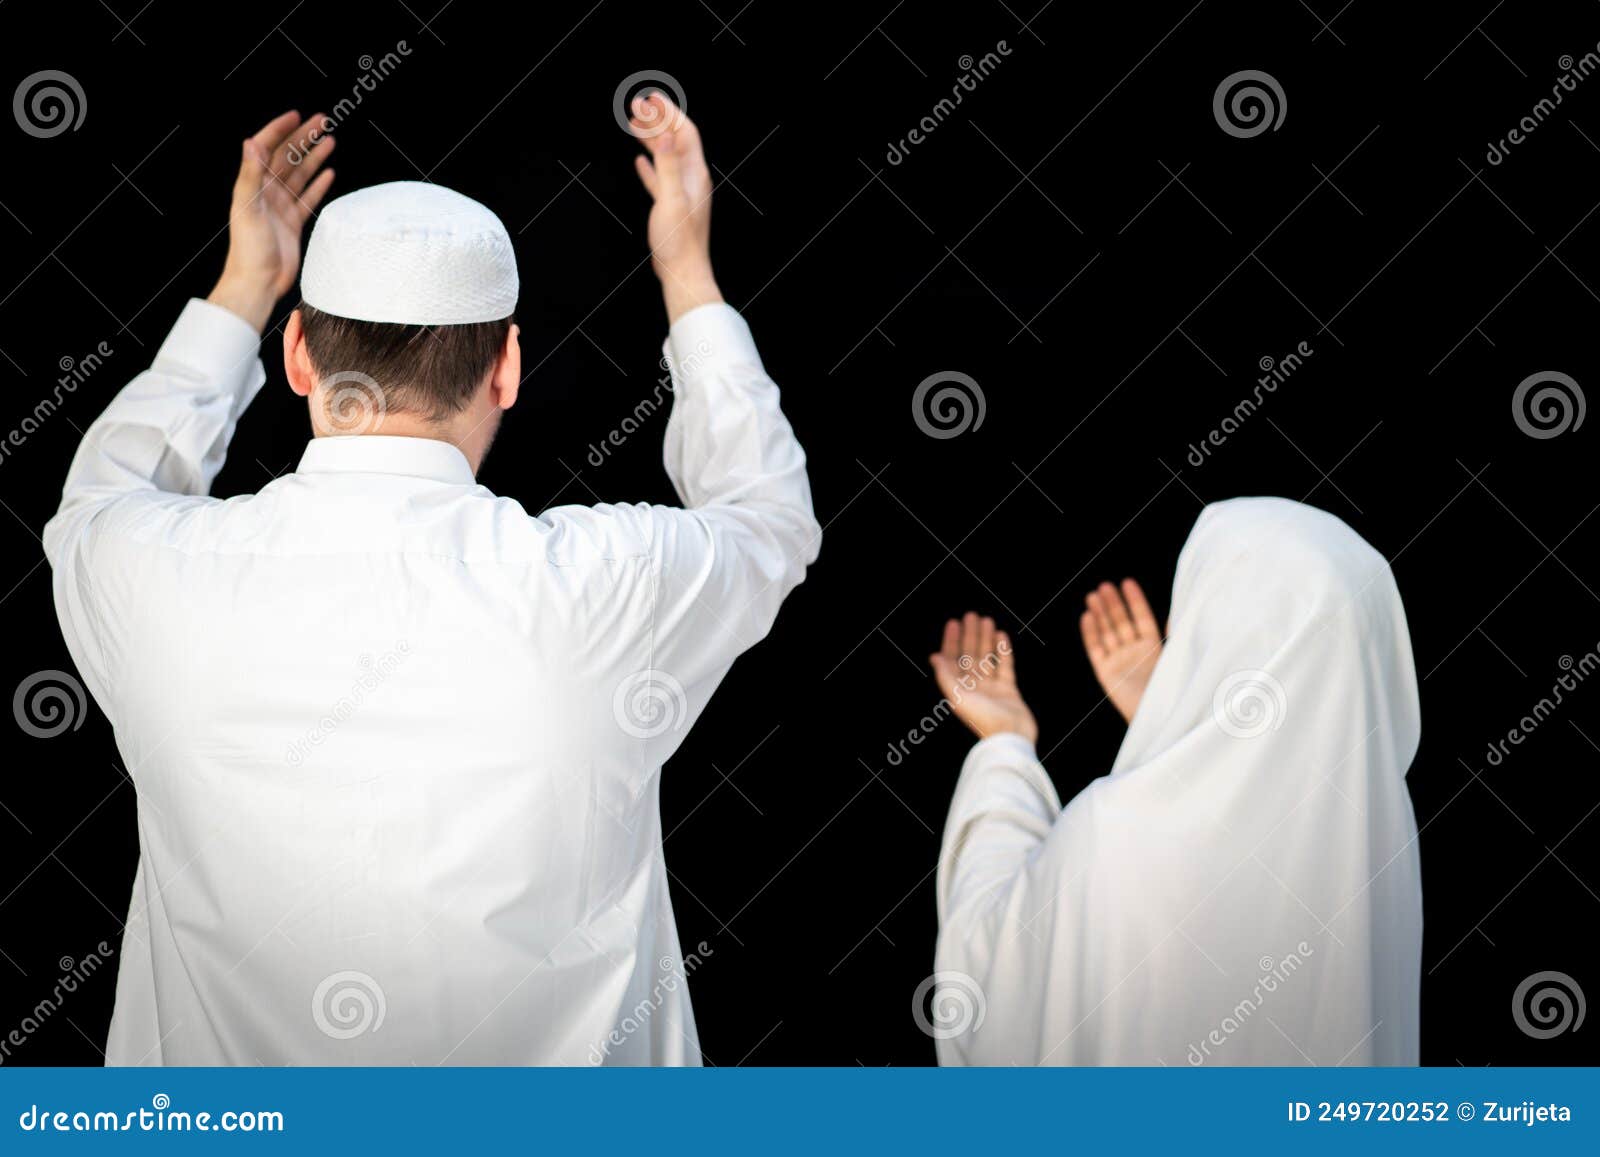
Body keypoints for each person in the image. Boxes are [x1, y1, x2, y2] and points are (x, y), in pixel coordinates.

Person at [41, 95, 820, 1065]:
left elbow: (101, 491)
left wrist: (246, 284)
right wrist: (686, 269)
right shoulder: (609, 584)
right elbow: (768, 518)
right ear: (507, 368)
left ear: (296, 355)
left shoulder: (150, 575)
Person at [926, 498, 1422, 1065]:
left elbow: (992, 982)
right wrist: (1173, 721)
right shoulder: (1380, 859)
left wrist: (1004, 744)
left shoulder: (1116, 835)